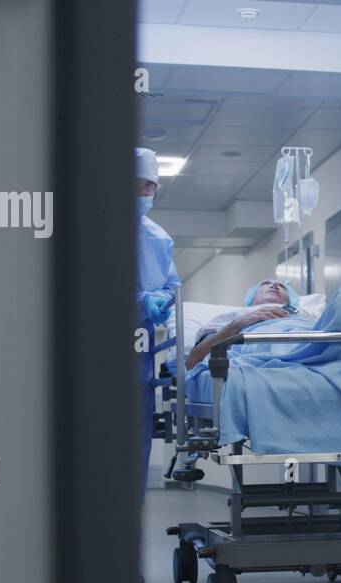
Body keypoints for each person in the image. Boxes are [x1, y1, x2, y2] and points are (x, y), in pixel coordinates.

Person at [135, 147, 181, 504]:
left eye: (148, 186)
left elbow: (171, 285)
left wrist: (160, 301)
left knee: (135, 427)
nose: (142, 193)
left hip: (139, 340)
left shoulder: (159, 238)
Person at [185, 280, 308, 368]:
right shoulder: (235, 315)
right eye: (266, 284)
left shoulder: (305, 314)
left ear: (290, 299)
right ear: (252, 297)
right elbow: (193, 361)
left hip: (307, 343)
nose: (274, 285)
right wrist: (238, 324)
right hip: (260, 353)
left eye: (281, 286)